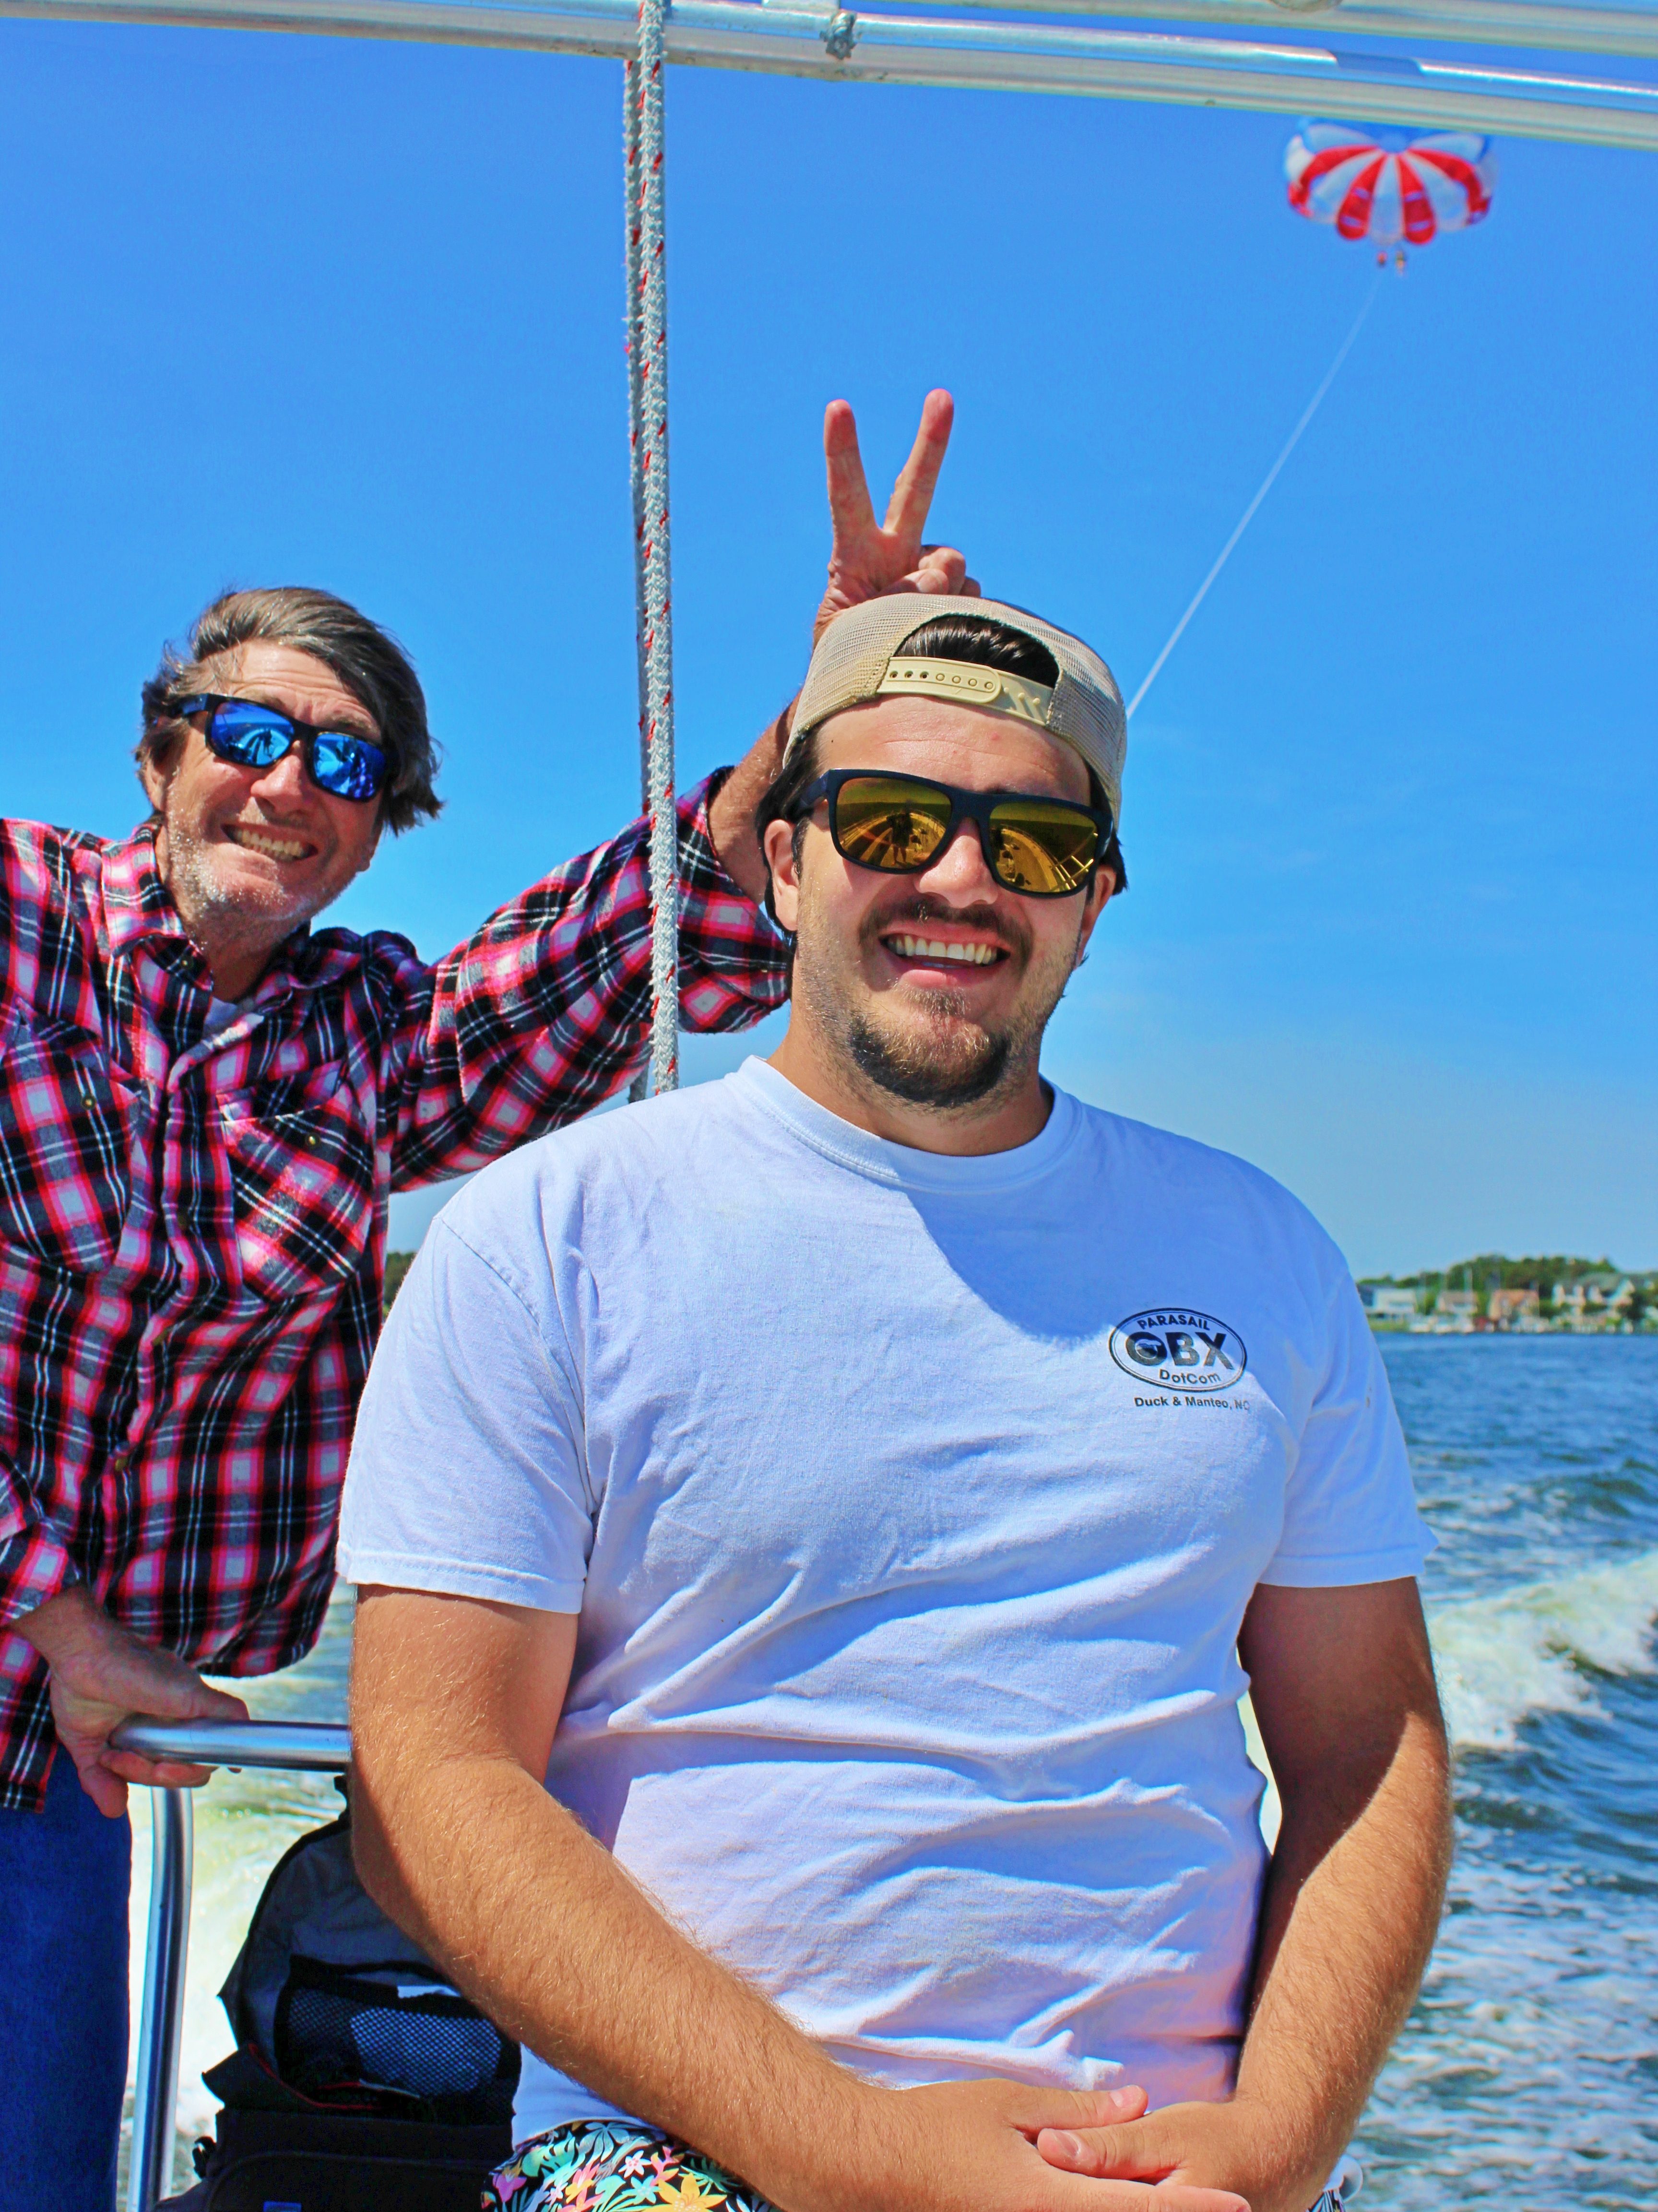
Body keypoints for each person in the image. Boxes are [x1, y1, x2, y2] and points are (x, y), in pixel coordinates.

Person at [341, 592, 1453, 2212]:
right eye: (892, 819)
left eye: (1036, 842)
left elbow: (1371, 1746)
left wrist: (1279, 2139)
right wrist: (863, 2159)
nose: (961, 878)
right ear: (781, 862)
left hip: (1186, 2160)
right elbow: (432, 1784)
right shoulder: (544, 1241)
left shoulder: (1266, 1255)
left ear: (1099, 898)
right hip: (685, 2152)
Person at [0, 392, 973, 2208]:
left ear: (380, 833)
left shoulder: (362, 1036)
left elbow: (638, 939)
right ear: (159, 752)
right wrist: (52, 1614)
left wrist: (833, 702)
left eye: (350, 767)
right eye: (249, 732)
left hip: (52, 1783)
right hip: (56, 1682)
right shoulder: (13, 917)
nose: (290, 786)